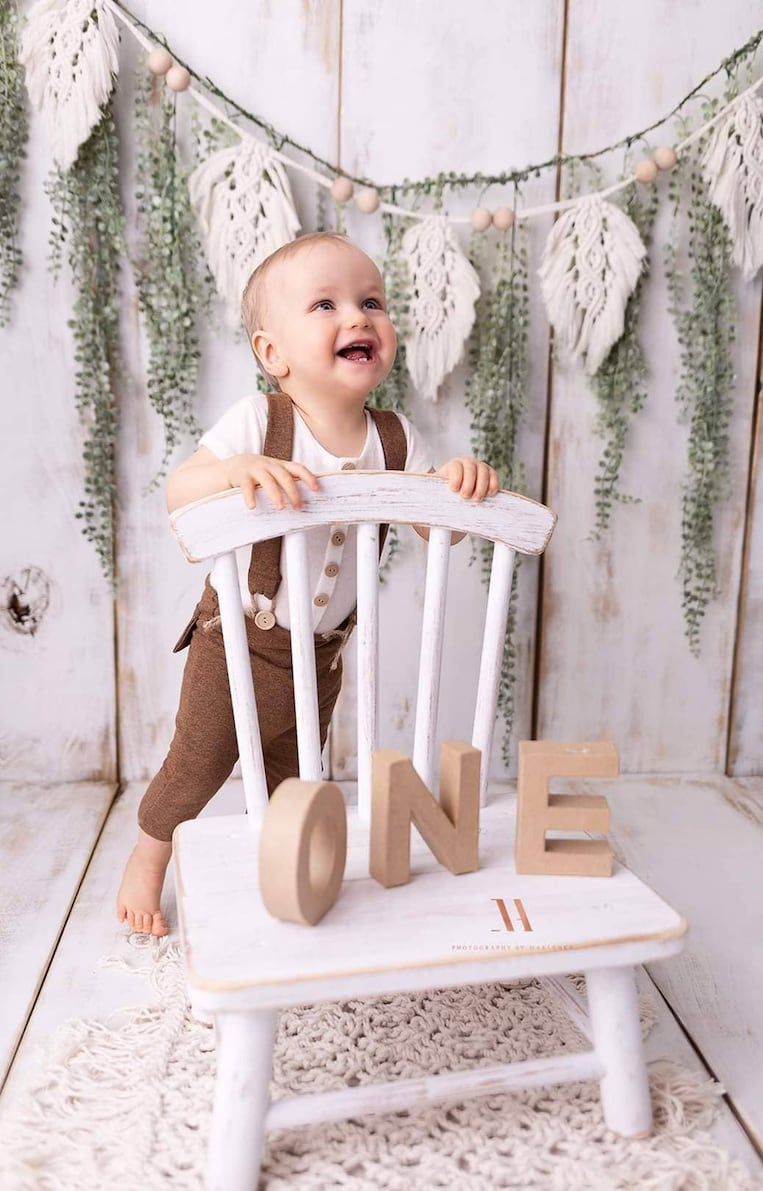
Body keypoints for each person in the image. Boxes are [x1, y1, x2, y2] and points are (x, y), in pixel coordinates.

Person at [116, 231, 500, 936]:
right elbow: (180, 490)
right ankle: (148, 856)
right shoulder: (260, 422)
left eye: (371, 302)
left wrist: (456, 484)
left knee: (299, 773)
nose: (357, 317)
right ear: (273, 354)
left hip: (322, 656)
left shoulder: (396, 438)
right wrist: (232, 474)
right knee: (198, 762)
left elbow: (432, 524)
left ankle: (291, 867)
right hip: (239, 643)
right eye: (326, 304)